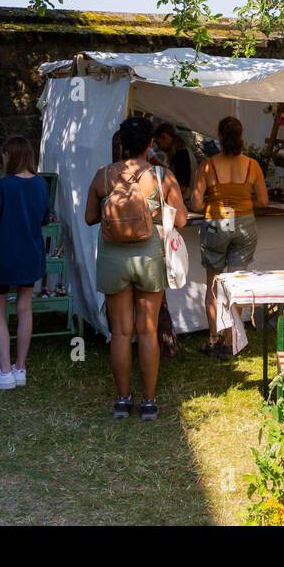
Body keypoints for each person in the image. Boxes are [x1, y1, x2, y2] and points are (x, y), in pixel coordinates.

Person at [85, 116, 189, 420]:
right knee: (148, 330)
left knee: (120, 333)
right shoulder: (162, 176)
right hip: (150, 257)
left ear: (121, 145)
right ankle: (148, 402)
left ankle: (121, 400)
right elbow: (181, 220)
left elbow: (90, 217)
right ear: (149, 144)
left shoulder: (103, 176)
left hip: (113, 259)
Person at [191, 116, 268, 358]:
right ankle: (231, 338)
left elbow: (195, 202)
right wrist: (245, 201)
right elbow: (264, 201)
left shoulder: (207, 165)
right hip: (245, 222)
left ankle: (214, 338)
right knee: (235, 284)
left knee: (213, 283)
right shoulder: (252, 165)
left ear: (220, 136)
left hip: (217, 221)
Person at [0, 136, 49, 391]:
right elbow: (43, 219)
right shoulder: (41, 185)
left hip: (5, 255)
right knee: (25, 307)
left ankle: (5, 370)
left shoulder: (3, 185)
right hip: (30, 253)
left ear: (10, 155)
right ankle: (20, 368)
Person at [152, 121, 195, 192]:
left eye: (158, 142)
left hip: (186, 200)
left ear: (164, 136)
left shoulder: (181, 155)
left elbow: (182, 188)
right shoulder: (181, 151)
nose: (159, 147)